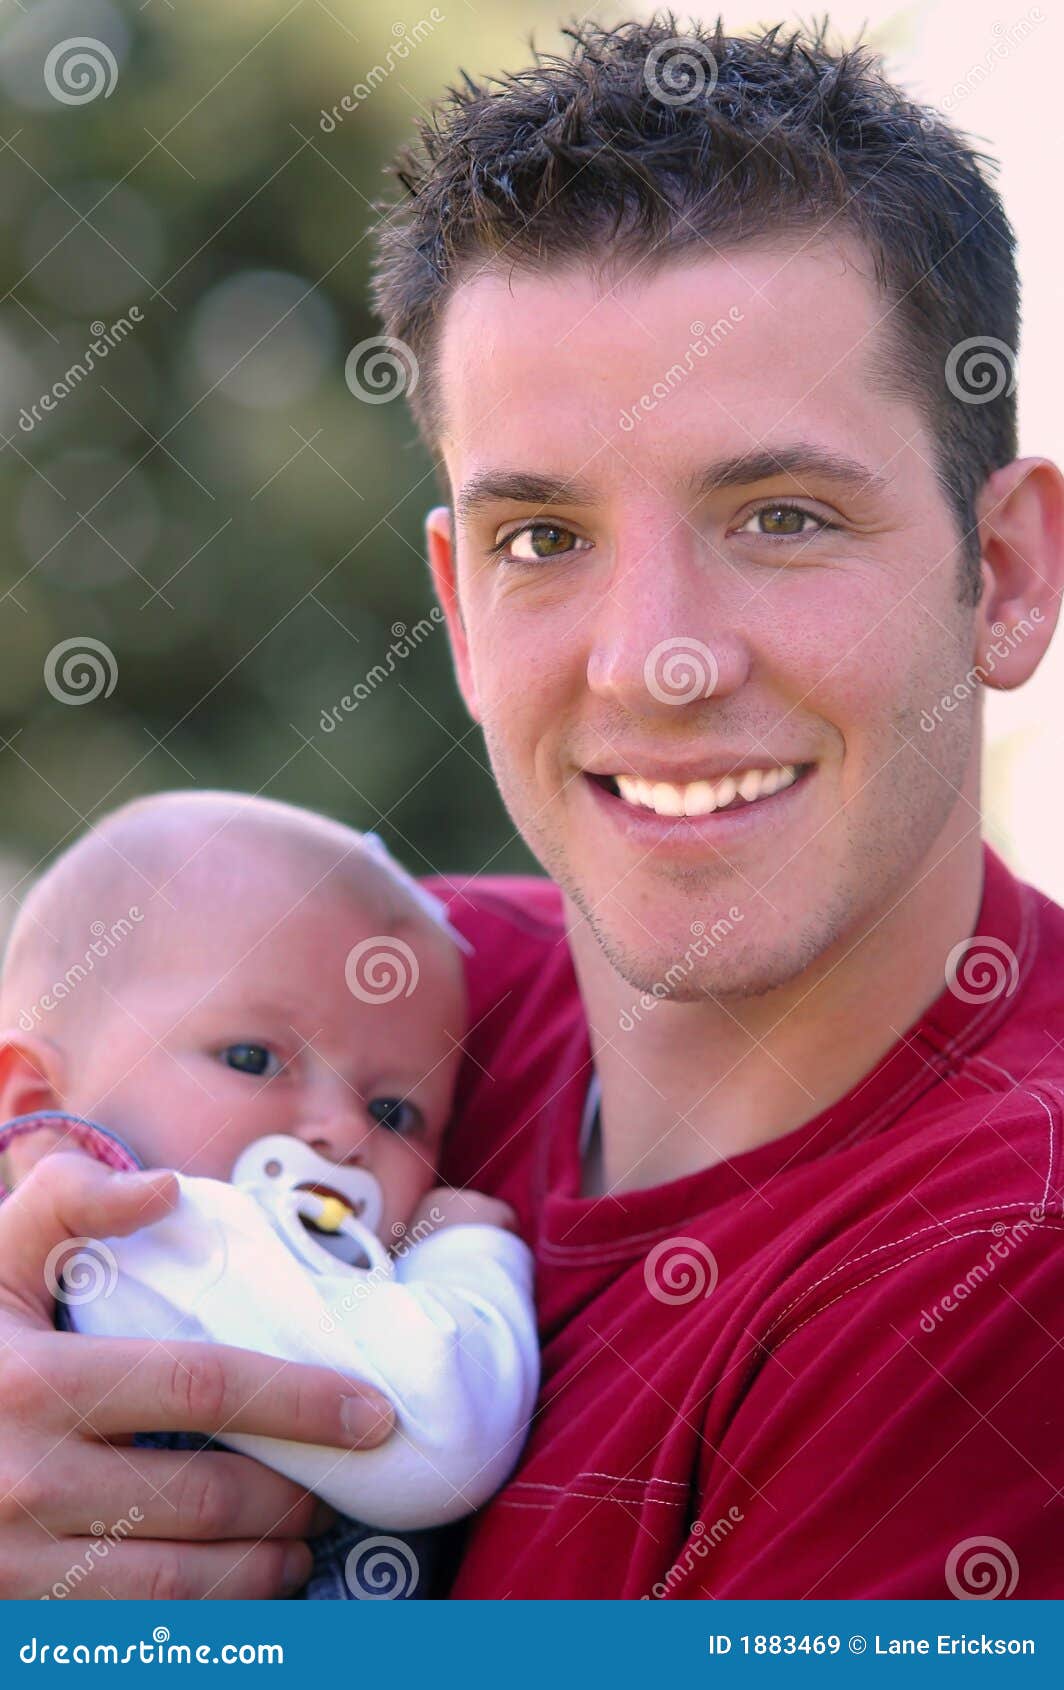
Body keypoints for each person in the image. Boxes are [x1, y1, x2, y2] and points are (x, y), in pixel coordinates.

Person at [1, 13, 1063, 1599]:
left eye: (781, 515)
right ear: (456, 604)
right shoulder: (387, 996)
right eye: (544, 540)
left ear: (1007, 574)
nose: (656, 661)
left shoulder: (1007, 1253)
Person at [0, 791, 537, 1600]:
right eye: (253, 1059)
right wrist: (468, 1255)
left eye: (393, 1111)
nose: (342, 1132)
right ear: (43, 1108)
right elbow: (441, 1442)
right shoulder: (155, 1238)